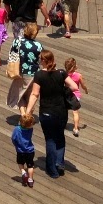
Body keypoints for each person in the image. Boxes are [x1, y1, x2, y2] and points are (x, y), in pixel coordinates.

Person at [25, 50, 79, 179]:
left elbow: (35, 94)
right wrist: (62, 89)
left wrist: (28, 111)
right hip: (61, 111)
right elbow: (74, 87)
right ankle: (59, 163)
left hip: (47, 112)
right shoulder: (61, 73)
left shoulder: (39, 75)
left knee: (50, 139)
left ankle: (52, 169)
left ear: (43, 61)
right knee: (60, 137)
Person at [7, 22, 43, 114]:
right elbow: (41, 60)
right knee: (31, 95)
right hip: (34, 74)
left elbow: (12, 53)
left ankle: (23, 114)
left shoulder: (17, 41)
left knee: (20, 95)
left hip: (20, 72)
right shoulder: (38, 45)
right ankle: (28, 114)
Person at [64, 57, 88, 136]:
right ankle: (76, 128)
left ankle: (63, 123)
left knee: (64, 110)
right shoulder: (78, 75)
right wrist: (86, 90)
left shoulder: (64, 74)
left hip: (66, 94)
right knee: (75, 112)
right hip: (75, 95)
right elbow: (83, 85)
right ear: (74, 67)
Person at [12, 112, 36, 188]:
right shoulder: (30, 129)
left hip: (20, 150)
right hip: (30, 150)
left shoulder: (17, 129)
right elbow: (28, 124)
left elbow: (14, 138)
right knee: (30, 166)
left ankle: (23, 172)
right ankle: (30, 180)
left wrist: (16, 144)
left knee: (20, 162)